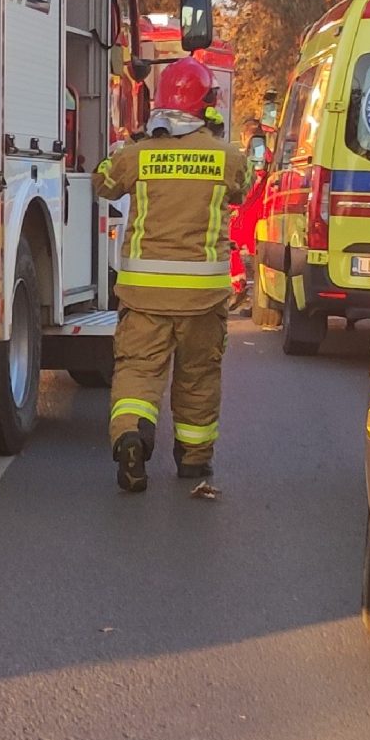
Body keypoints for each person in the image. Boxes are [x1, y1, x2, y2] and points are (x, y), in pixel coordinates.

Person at [93, 58, 251, 492]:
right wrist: (214, 137)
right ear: (207, 105)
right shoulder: (226, 157)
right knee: (198, 377)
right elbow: (246, 186)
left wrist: (134, 142)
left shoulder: (137, 155)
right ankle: (194, 460)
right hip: (203, 298)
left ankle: (131, 435)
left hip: (144, 296)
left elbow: (102, 182)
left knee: (138, 372)